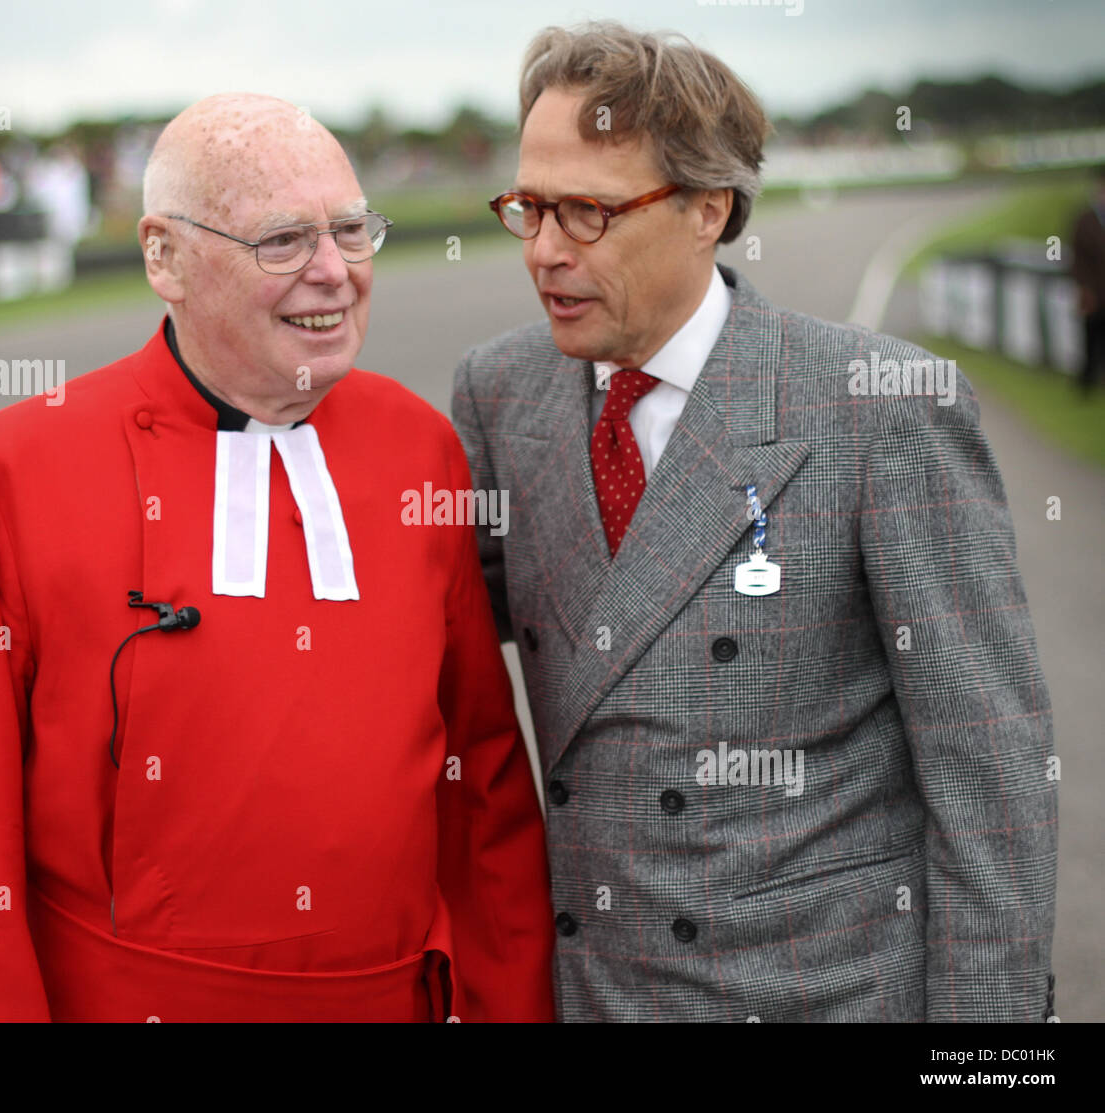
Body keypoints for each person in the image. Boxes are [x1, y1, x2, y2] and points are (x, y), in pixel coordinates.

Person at [0, 93, 555, 1023]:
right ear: (164, 257)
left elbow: (481, 784)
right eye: (282, 241)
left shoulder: (419, 449)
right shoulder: (6, 477)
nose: (334, 273)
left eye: (352, 232)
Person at [452, 22, 1057, 1022]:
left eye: (588, 213)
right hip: (594, 993)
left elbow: (988, 770)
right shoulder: (500, 392)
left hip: (822, 997)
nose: (545, 252)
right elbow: (425, 647)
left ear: (706, 208)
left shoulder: (880, 406)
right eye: (528, 208)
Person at [1070, 165, 1105, 393]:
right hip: (1093, 292)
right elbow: (1075, 258)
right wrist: (1085, 288)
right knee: (1091, 339)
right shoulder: (1084, 220)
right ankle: (1087, 384)